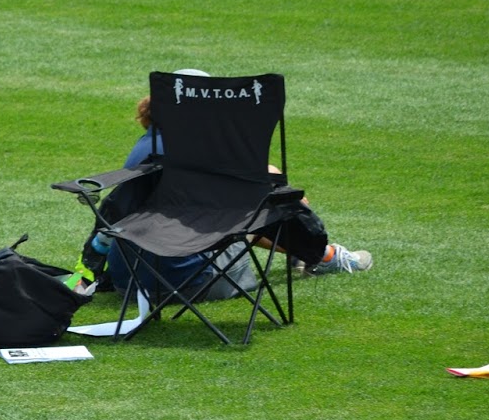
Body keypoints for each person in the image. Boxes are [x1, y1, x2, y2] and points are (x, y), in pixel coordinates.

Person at [114, 71, 373, 279]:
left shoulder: (147, 146)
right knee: (265, 202)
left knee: (231, 206)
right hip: (188, 277)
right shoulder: (200, 150)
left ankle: (309, 255)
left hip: (129, 275)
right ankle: (326, 257)